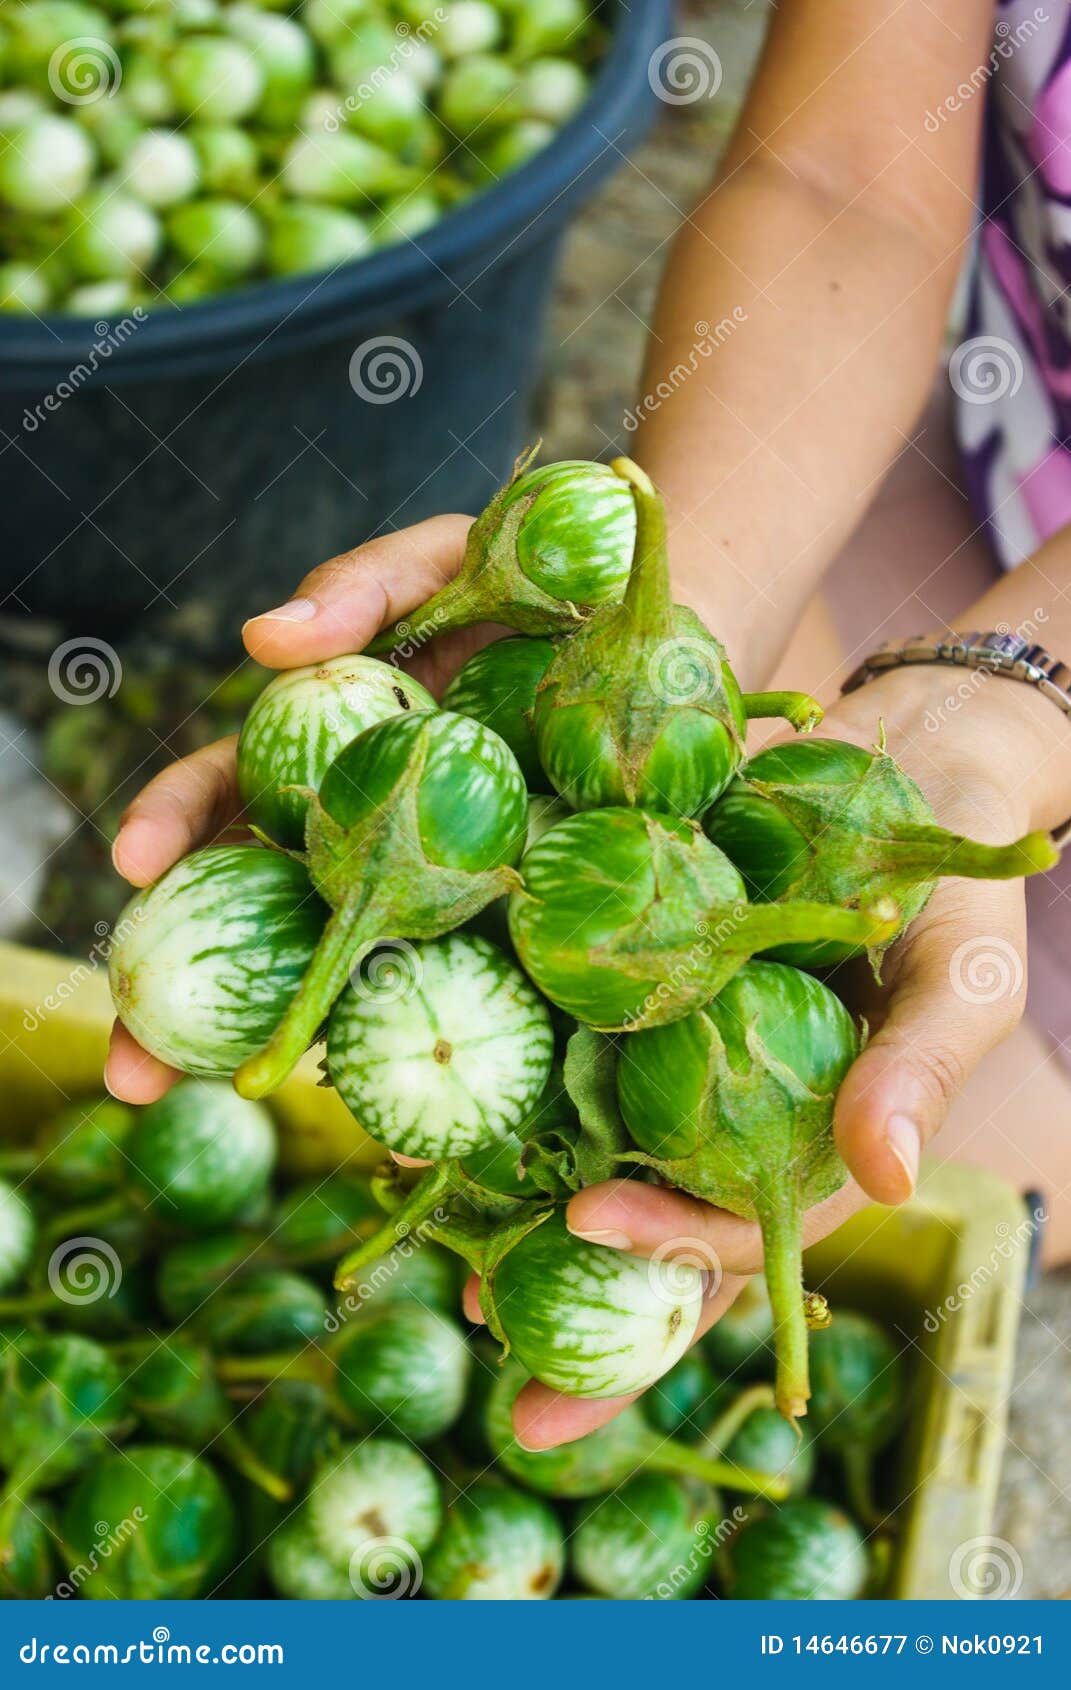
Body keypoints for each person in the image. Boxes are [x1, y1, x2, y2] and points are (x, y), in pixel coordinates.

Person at [105, 0, 1071, 1451]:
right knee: (899, 1068)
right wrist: (671, 628)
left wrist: (1009, 697)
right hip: (1004, 424)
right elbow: (841, 181)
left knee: (984, 1141)